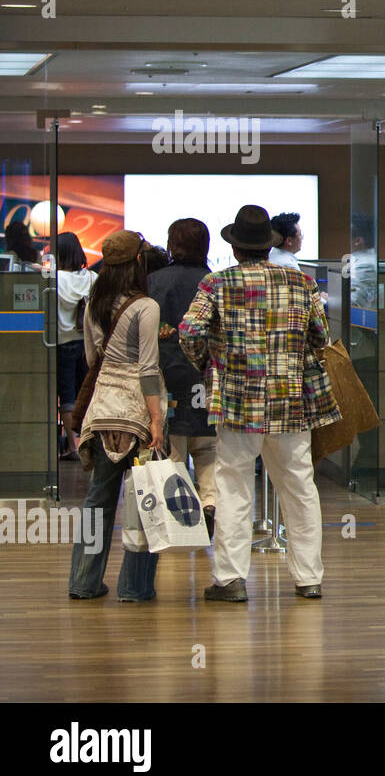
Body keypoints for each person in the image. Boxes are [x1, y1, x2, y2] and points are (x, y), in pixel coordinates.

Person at [180, 205, 340, 602]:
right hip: (290, 401)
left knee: (233, 489)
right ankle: (308, 579)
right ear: (269, 247)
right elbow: (322, 337)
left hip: (236, 403)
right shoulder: (300, 283)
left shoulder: (216, 284)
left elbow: (189, 332)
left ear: (235, 249)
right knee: (300, 488)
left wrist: (211, 363)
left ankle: (230, 580)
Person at [67, 230, 165, 602]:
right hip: (137, 414)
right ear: (137, 262)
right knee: (144, 500)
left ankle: (83, 581)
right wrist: (156, 420)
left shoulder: (95, 302)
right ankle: (134, 587)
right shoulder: (146, 307)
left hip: (102, 411)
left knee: (97, 500)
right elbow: (148, 368)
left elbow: (93, 358)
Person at [149, 218, 218, 539]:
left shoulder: (153, 283)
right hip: (209, 382)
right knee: (208, 452)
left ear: (172, 244)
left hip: (166, 381)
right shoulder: (215, 282)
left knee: (173, 454)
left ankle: (179, 522)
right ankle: (210, 504)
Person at [55, 232, 96, 460]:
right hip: (87, 343)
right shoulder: (92, 277)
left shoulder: (55, 277)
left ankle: (72, 446)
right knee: (87, 393)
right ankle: (88, 443)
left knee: (68, 395)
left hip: (62, 341)